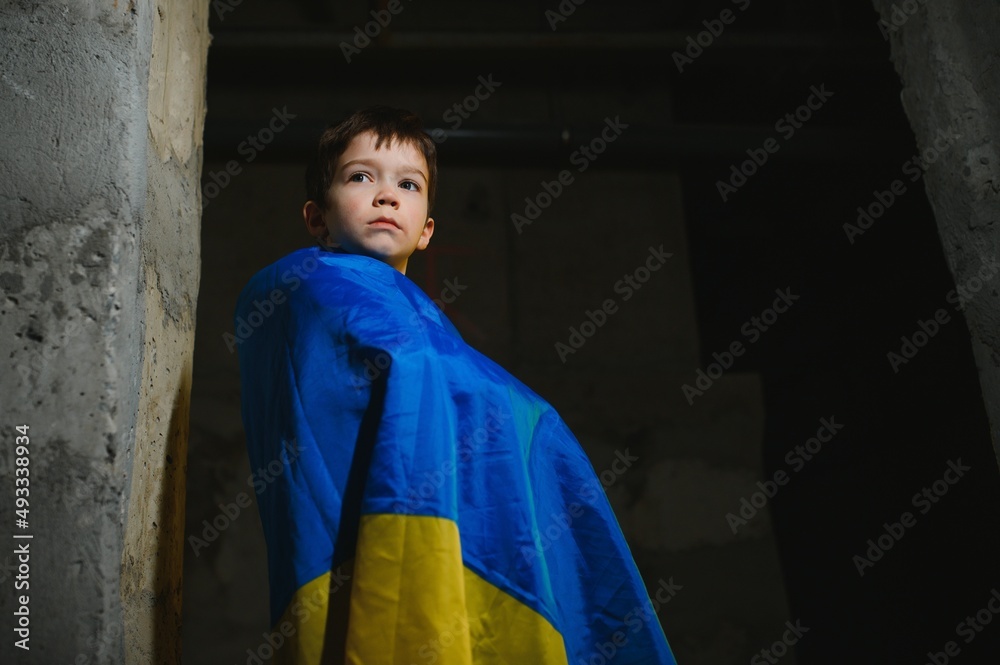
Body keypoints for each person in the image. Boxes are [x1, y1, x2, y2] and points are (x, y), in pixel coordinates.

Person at [235, 106, 678, 665]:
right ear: (317, 218)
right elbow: (413, 364)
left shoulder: (426, 322)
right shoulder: (305, 282)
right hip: (352, 548)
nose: (386, 195)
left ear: (426, 231)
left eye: (408, 183)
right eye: (360, 177)